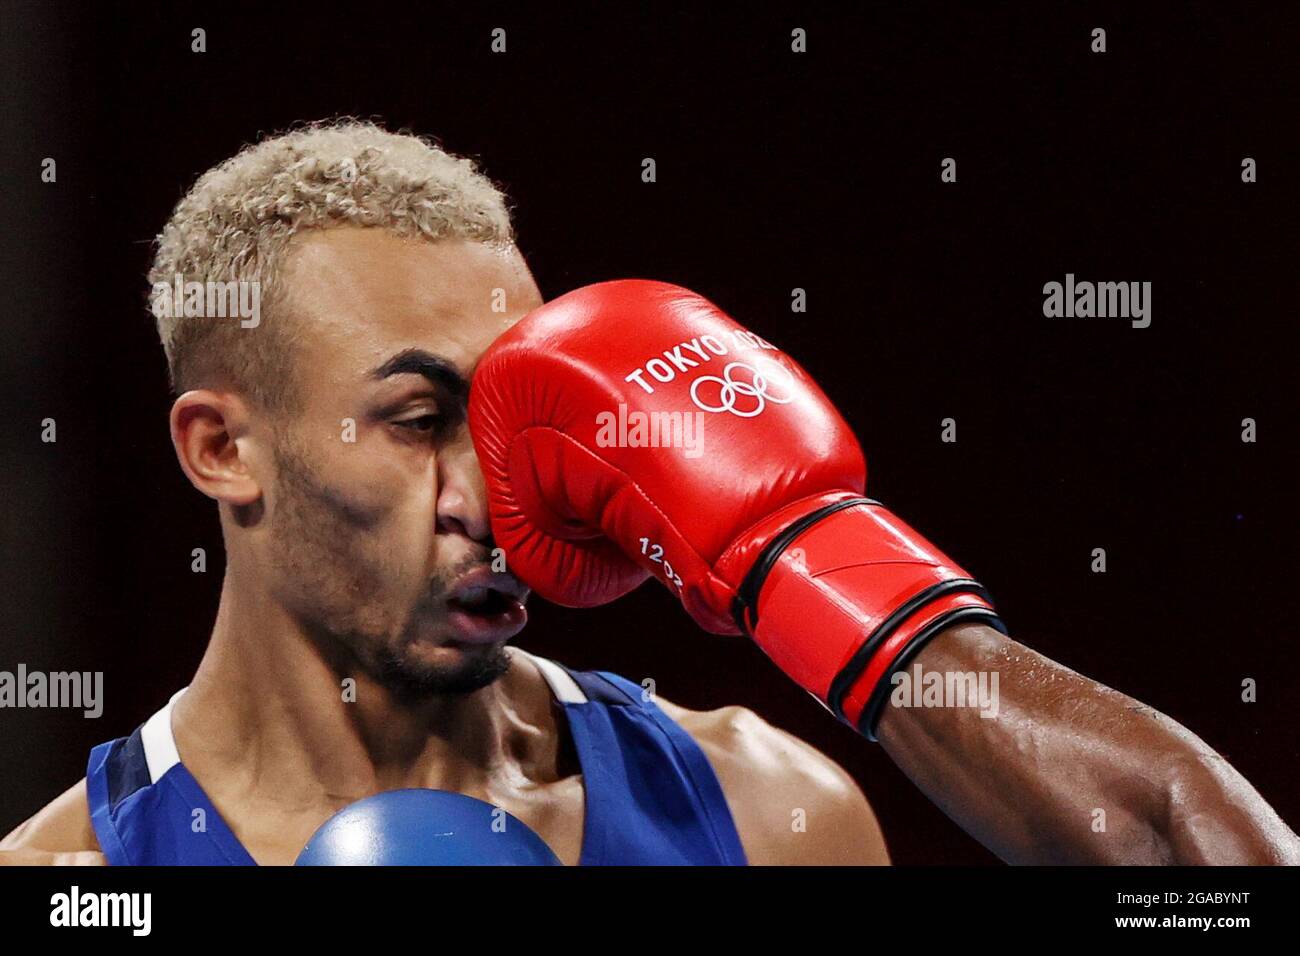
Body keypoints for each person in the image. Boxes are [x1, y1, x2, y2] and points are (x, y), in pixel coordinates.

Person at [2, 121, 1295, 865]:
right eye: (418, 422)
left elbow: (1199, 869)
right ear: (222, 449)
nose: (496, 497)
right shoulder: (71, 880)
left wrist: (810, 554)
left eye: (515, 416)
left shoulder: (767, 815)